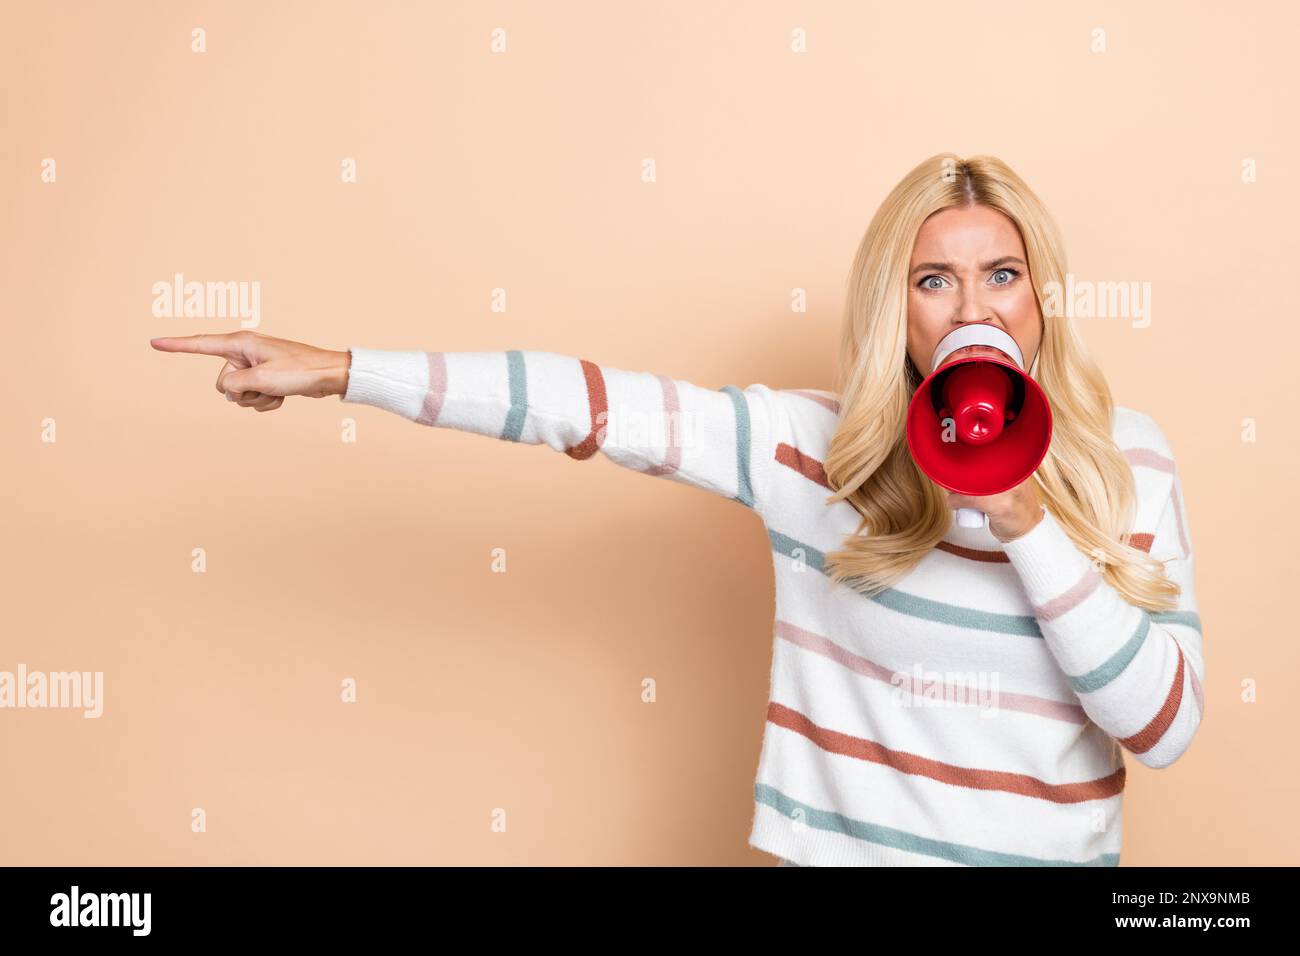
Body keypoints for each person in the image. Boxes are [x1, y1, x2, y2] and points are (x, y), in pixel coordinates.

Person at [151, 153, 1203, 867]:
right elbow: (581, 403)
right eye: (935, 279)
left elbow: (1160, 728)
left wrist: (1025, 520)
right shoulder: (812, 454)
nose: (974, 307)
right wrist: (343, 368)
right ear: (900, 310)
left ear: (1037, 295)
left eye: (1001, 274)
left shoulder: (1127, 464)